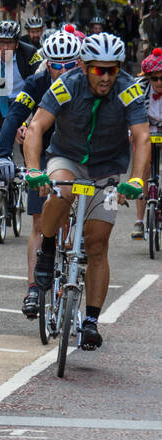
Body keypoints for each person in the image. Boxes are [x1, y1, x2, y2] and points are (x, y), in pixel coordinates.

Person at [23, 33, 148, 349]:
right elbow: (37, 126)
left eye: (112, 70)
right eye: (98, 70)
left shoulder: (129, 89)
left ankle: (91, 321)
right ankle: (48, 247)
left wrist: (135, 180)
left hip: (107, 167)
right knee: (60, 192)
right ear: (83, 65)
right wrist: (35, 170)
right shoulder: (67, 84)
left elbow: (142, 136)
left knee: (97, 243)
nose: (106, 77)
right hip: (67, 156)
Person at [0, 28, 83, 313]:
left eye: (69, 65)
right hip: (44, 150)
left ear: (79, 62)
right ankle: (33, 288)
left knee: (80, 212)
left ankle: (73, 251)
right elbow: (15, 116)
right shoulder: (37, 81)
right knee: (38, 222)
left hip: (77, 152)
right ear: (47, 63)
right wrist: (3, 155)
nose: (62, 70)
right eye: (56, 65)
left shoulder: (89, 82)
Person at [0, 20, 39, 228]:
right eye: (0, 43)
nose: (3, 49)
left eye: (9, 44)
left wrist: (30, 122)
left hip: (25, 105)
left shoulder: (31, 55)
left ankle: (33, 183)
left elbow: (41, 84)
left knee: (31, 146)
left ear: (17, 44)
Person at [135, 48, 162, 238]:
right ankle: (139, 220)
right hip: (146, 129)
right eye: (155, 78)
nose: (159, 82)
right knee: (142, 170)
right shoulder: (139, 89)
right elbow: (131, 114)